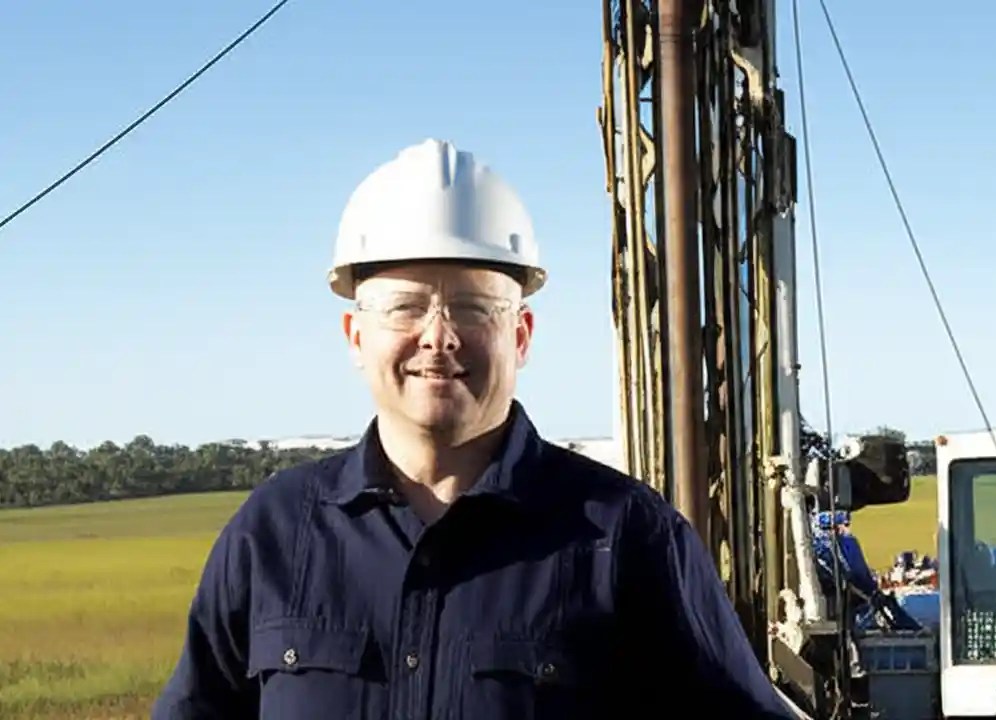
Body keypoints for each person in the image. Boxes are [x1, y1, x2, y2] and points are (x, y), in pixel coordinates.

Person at [152, 138, 796, 719]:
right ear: (356, 335)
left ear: (520, 335)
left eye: (471, 308)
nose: (438, 337)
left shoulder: (626, 537)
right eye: (405, 307)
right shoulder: (274, 534)